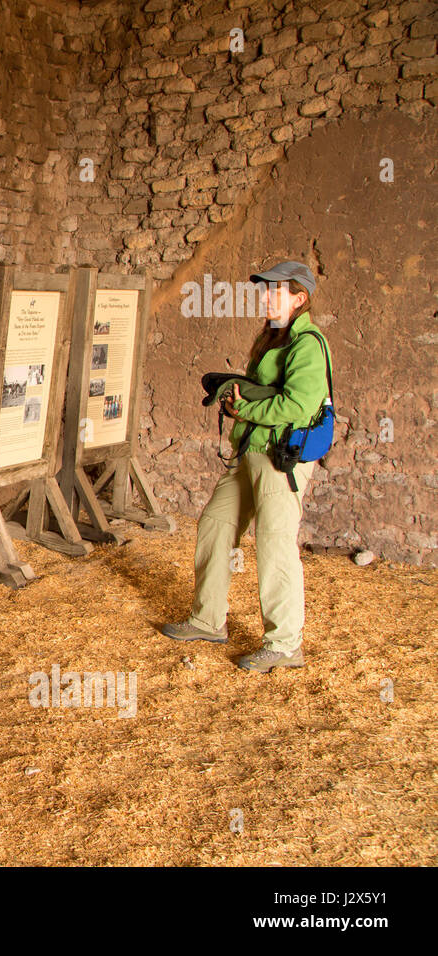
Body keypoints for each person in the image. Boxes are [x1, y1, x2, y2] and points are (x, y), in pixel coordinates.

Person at [161, 261, 333, 674]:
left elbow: (298, 405)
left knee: (275, 546)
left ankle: (284, 643)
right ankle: (207, 620)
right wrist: (240, 405)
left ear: (300, 297)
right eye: (266, 290)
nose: (267, 297)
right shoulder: (274, 337)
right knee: (215, 524)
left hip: (279, 461)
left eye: (276, 291)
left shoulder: (307, 343)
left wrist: (247, 409)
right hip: (252, 452)